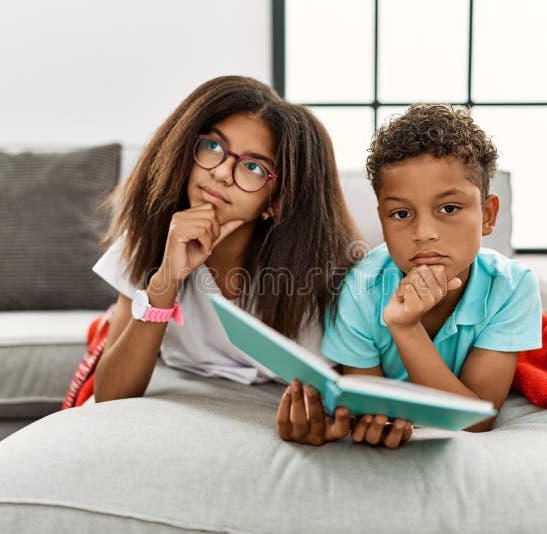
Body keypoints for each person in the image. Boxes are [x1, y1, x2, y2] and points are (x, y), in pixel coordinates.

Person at [91, 76, 359, 423]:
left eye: (252, 167)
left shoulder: (324, 274)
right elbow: (110, 396)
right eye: (213, 148)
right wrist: (166, 280)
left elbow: (349, 396)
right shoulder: (152, 235)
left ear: (276, 201)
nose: (219, 173)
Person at [279, 104, 542, 447]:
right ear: (383, 219)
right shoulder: (361, 288)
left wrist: (405, 328)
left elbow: (476, 422)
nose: (424, 233)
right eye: (401, 213)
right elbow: (366, 403)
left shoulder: (512, 286)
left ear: (488, 215)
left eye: (449, 208)